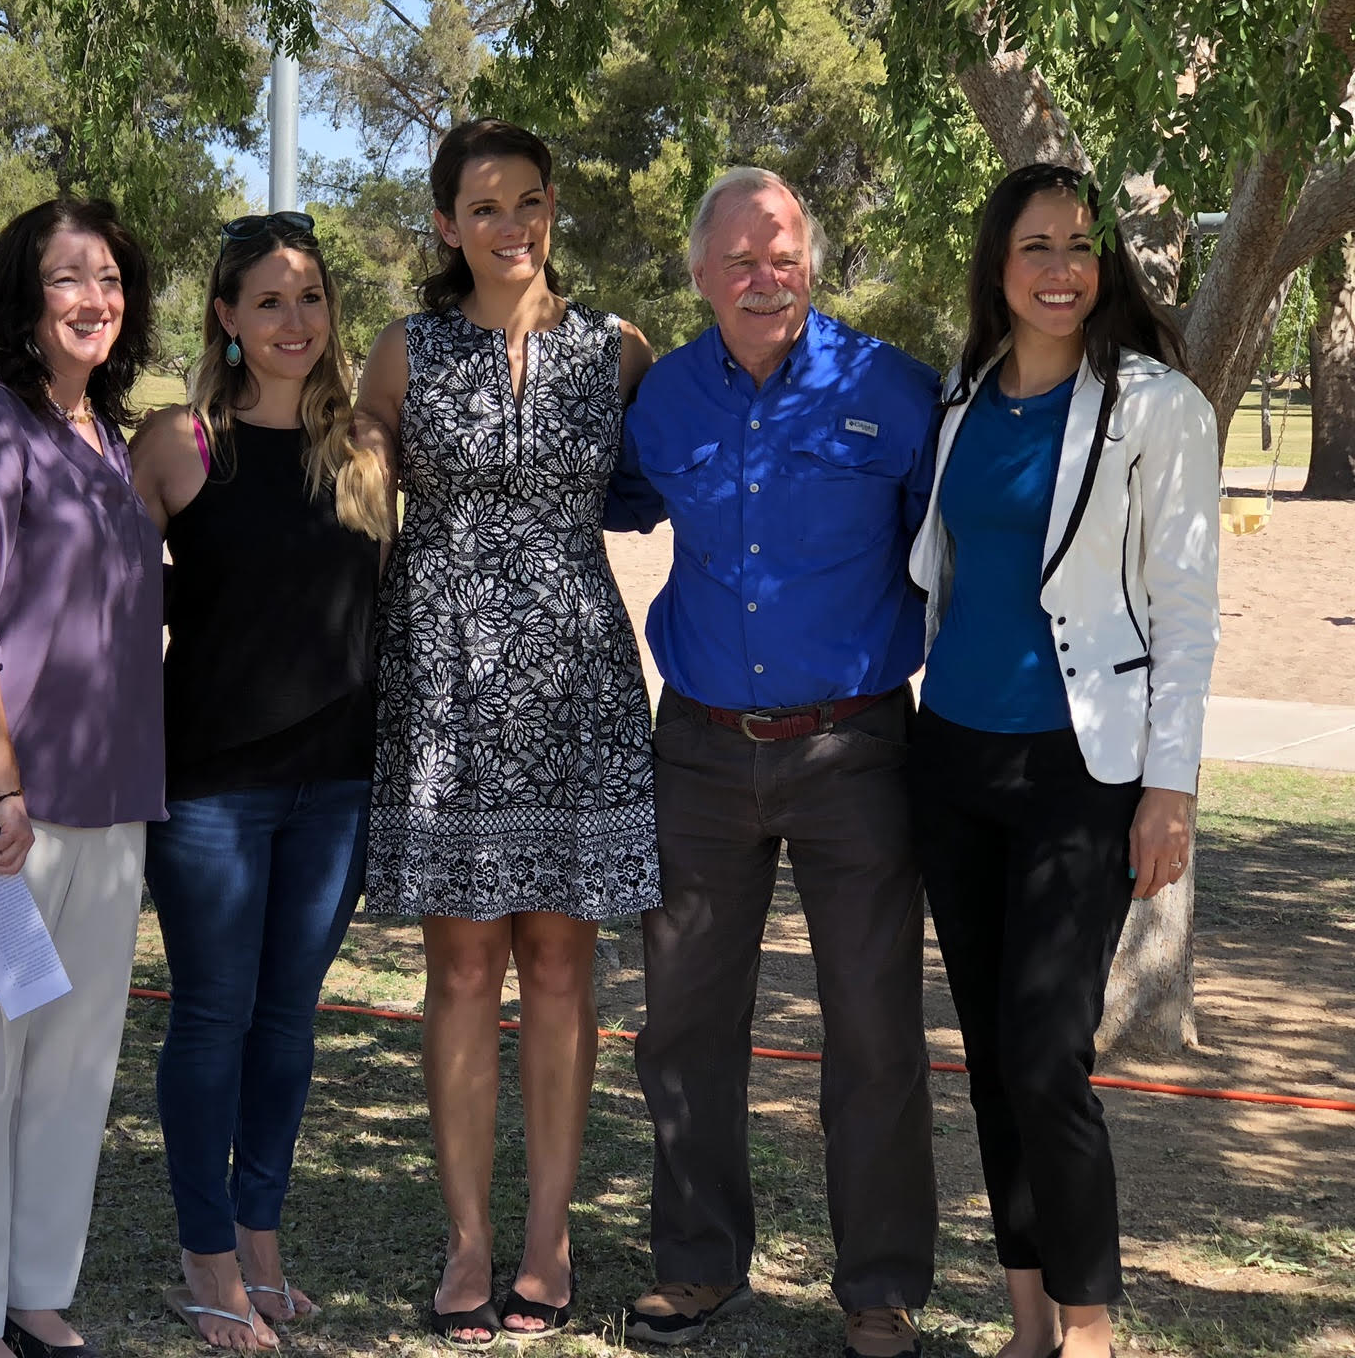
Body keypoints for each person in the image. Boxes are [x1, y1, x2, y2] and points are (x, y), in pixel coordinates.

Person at [606, 166, 941, 1358]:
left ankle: (880, 1289)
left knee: (871, 1028)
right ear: (697, 273)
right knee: (682, 1026)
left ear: (812, 260)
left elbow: (950, 556)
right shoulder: (657, 405)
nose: (764, 276)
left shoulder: (896, 393)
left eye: (783, 252)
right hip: (695, 750)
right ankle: (696, 1267)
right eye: (738, 258)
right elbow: (592, 506)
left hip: (855, 748)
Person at [354, 118, 658, 1348]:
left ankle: (549, 1236)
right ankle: (470, 1240)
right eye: (483, 207)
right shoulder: (403, 349)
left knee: (563, 970)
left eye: (529, 202)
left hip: (578, 680)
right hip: (447, 687)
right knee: (464, 971)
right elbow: (349, 487)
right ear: (445, 225)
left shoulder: (617, 348)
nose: (511, 227)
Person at [907, 163, 1218, 1358]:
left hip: (1081, 773)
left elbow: (1184, 611)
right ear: (996, 265)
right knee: (990, 1056)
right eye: (1035, 246)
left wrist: (1169, 788)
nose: (1060, 269)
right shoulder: (959, 396)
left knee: (1046, 1054)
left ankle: (1088, 1327)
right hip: (951, 762)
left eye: (1079, 247)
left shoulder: (1153, 406)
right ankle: (1028, 1321)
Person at [130, 212, 394, 1351]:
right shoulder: (174, 444)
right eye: (270, 301)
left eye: (312, 298)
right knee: (210, 1021)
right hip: (210, 794)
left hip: (336, 785)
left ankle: (262, 1238)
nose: (296, 320)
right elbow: (111, 614)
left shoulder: (369, 452)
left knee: (287, 1024)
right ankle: (204, 1261)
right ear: (226, 319)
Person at [0, 198, 165, 1358]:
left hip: (114, 804)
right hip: (2, 816)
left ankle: (33, 1293)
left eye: (110, 279)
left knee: (72, 1070)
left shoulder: (110, 439)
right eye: (69, 279)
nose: (94, 300)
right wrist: (1, 787)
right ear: (25, 298)